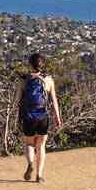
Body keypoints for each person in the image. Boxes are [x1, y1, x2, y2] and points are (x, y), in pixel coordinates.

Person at [15, 53, 62, 183]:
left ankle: (30, 163)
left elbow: (19, 101)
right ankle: (39, 175)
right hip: (43, 117)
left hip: (29, 117)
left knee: (29, 144)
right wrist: (57, 118)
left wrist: (19, 117)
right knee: (41, 146)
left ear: (30, 64)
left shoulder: (23, 80)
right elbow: (54, 101)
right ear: (42, 65)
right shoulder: (48, 80)